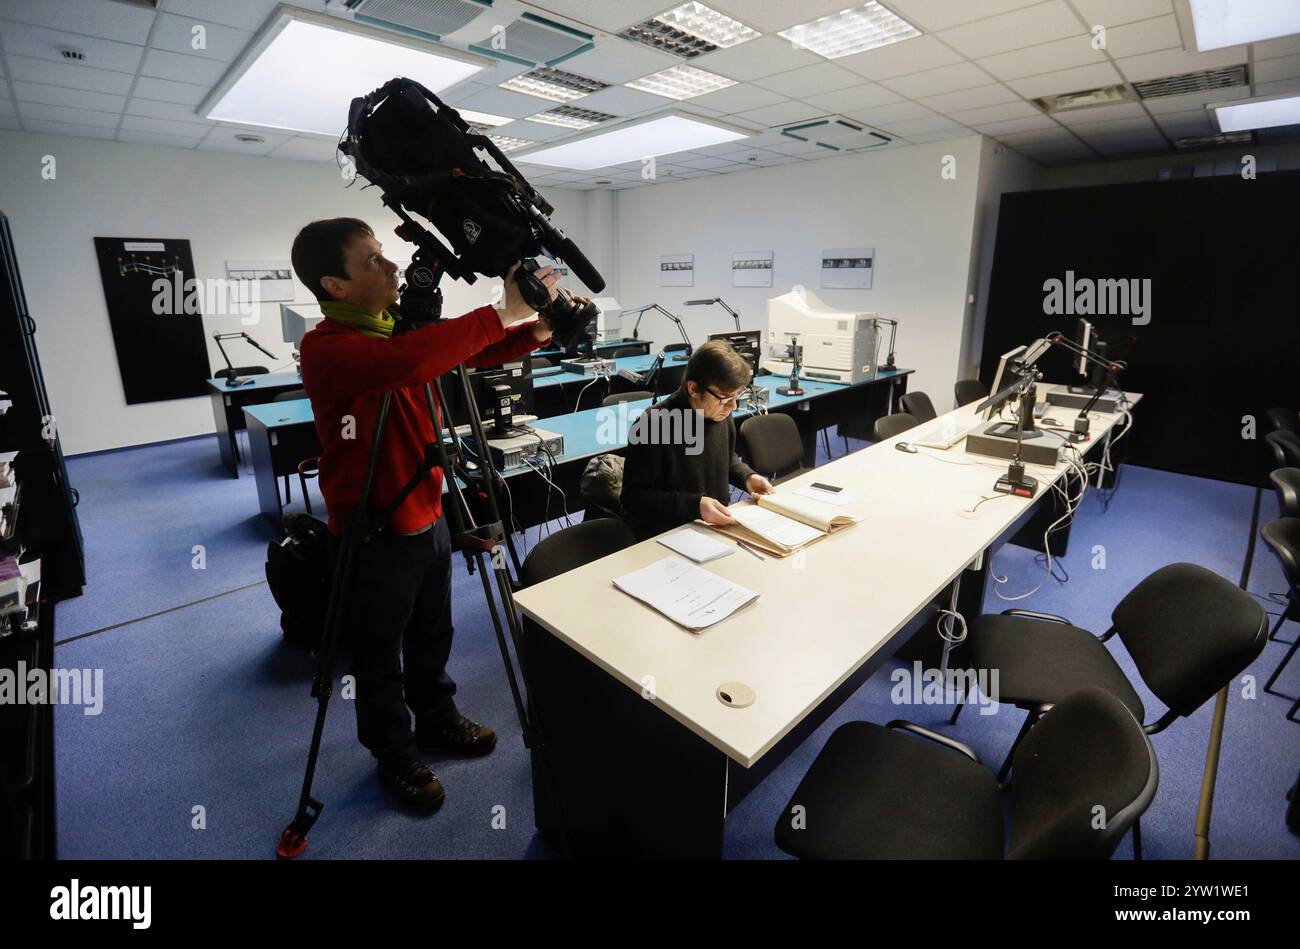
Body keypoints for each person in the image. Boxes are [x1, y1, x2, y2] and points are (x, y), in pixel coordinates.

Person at [291, 217, 558, 811]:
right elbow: (410, 362)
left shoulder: (392, 333)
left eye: (386, 256)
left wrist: (534, 330)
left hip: (427, 514)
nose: (390, 268)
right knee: (380, 655)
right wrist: (502, 312)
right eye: (372, 261)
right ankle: (394, 753)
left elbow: (457, 356)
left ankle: (437, 718)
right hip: (373, 532)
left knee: (433, 634)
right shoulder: (329, 349)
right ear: (335, 286)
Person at [621, 340, 774, 541]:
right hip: (667, 536)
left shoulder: (719, 412)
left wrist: (747, 477)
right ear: (693, 389)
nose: (733, 406)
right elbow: (634, 499)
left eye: (737, 396)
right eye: (725, 397)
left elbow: (726, 459)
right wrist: (695, 506)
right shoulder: (653, 424)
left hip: (713, 528)